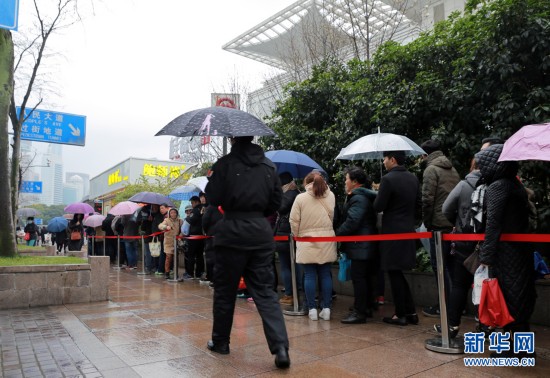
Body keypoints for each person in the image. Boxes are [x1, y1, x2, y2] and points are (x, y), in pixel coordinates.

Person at [205, 136, 290, 369]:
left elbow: (212, 199)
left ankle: (221, 341)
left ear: (232, 139)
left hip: (231, 232)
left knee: (225, 291)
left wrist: (213, 180)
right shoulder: (269, 166)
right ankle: (280, 347)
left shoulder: (223, 164)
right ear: (252, 137)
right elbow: (276, 202)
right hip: (260, 233)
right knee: (265, 292)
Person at [475, 144, 536, 358]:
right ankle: (522, 348)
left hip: (506, 253)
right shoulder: (514, 185)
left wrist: (486, 257)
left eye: (483, 165)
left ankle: (518, 350)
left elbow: (493, 223)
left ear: (494, 165)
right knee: (519, 299)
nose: (481, 170)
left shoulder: (498, 187)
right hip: (520, 251)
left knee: (510, 301)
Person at [435, 158, 482, 337]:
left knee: (460, 285)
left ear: (472, 166)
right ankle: (485, 325)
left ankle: (452, 325)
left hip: (464, 241)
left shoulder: (464, 185)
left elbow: (446, 208)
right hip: (486, 244)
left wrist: (458, 222)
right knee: (485, 283)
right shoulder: (494, 185)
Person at [373, 150, 421, 326]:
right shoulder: (413, 178)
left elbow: (379, 206)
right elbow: (418, 206)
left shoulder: (387, 179)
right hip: (407, 230)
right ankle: (411, 312)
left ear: (392, 159)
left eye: (385, 159)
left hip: (392, 231)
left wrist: (378, 193)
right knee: (398, 272)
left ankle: (400, 314)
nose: (383, 162)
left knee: (394, 272)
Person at [420, 139, 460, 317]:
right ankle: (456, 305)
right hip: (453, 225)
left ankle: (444, 307)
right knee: (451, 268)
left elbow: (428, 200)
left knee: (440, 268)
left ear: (426, 154)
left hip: (438, 226)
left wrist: (427, 223)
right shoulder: (452, 170)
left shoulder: (431, 170)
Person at [289, 171, 337, 321]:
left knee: (309, 275)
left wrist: (297, 235)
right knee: (325, 274)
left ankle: (312, 310)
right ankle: (326, 309)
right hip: (327, 239)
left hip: (306, 240)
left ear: (307, 183)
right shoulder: (331, 196)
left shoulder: (300, 198)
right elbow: (332, 218)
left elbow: (293, 221)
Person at [337, 167, 379, 324]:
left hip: (360, 245)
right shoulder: (362, 196)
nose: (345, 182)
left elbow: (353, 221)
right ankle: (365, 306)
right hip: (364, 245)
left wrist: (337, 234)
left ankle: (359, 312)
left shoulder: (358, 199)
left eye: (347, 179)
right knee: (365, 277)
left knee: (359, 278)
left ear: (354, 182)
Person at [274, 171, 302, 305]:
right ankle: (296, 292)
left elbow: (280, 208)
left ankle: (290, 294)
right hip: (293, 234)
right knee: (295, 265)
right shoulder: (298, 193)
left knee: (286, 265)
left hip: (285, 234)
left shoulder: (289, 194)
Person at [158, 208, 183, 279]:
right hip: (168, 242)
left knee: (176, 258)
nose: (173, 214)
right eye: (171, 213)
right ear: (169, 214)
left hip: (177, 242)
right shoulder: (166, 220)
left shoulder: (180, 221)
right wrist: (166, 227)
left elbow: (183, 230)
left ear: (177, 213)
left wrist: (180, 236)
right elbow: (160, 226)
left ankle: (176, 272)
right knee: (168, 257)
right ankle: (167, 272)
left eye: (174, 212)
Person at [202, 203, 222, 287]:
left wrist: (208, 232)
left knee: (211, 257)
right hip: (225, 235)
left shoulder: (211, 207)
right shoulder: (228, 204)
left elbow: (205, 221)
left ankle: (212, 278)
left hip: (212, 235)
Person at [185, 196, 205, 279]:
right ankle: (199, 273)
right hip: (202, 235)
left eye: (192, 203)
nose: (192, 205)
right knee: (200, 255)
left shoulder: (196, 210)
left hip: (193, 236)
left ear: (197, 202)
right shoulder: (204, 208)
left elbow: (191, 220)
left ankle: (190, 273)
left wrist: (188, 217)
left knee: (191, 255)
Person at [152, 203, 170, 275]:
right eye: (160, 209)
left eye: (162, 208)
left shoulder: (168, 216)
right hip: (162, 237)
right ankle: (162, 269)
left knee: (164, 254)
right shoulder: (161, 216)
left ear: (167, 208)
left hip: (168, 238)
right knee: (162, 253)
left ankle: (162, 269)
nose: (161, 210)